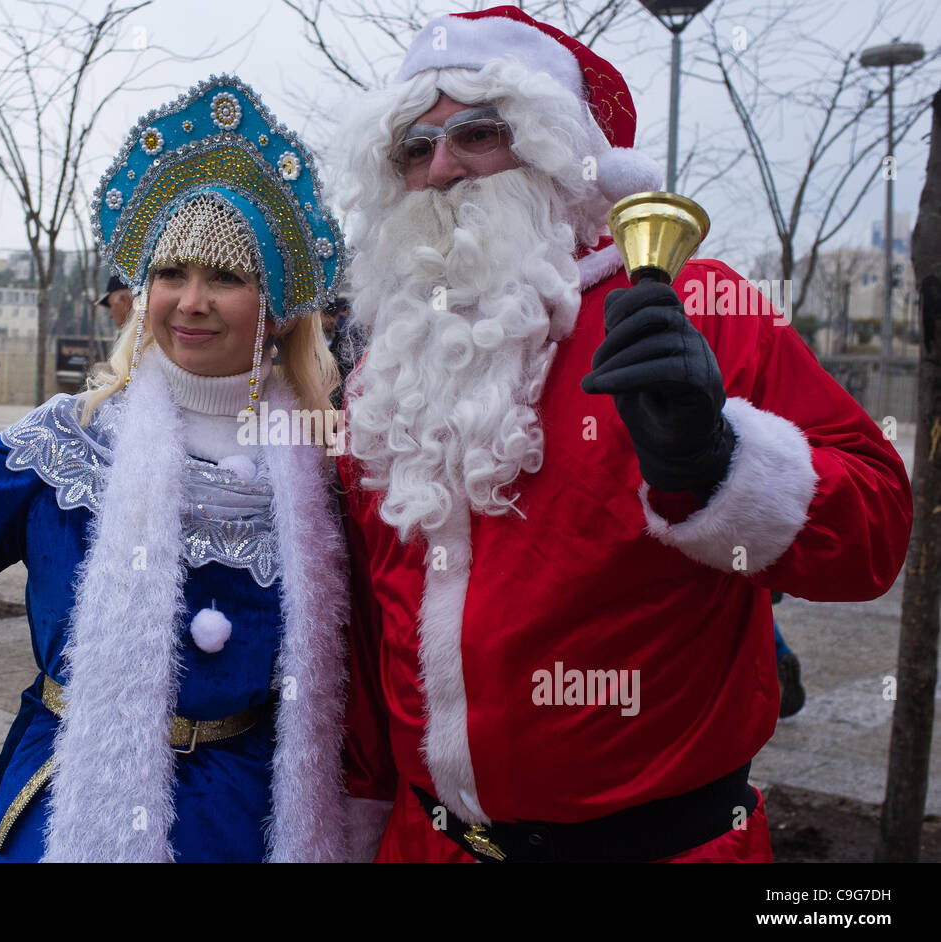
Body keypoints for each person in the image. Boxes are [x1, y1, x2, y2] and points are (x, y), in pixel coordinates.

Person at [334, 6, 913, 863]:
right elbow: (366, 630)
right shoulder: (384, 367)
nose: (442, 169)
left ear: (550, 150)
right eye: (413, 150)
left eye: (476, 134)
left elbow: (875, 534)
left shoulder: (689, 304)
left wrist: (719, 462)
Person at [0, 75, 356, 862]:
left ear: (274, 305)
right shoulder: (70, 442)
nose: (192, 300)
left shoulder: (325, 463)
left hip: (249, 824)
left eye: (226, 276)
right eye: (171, 273)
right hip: (68, 808)